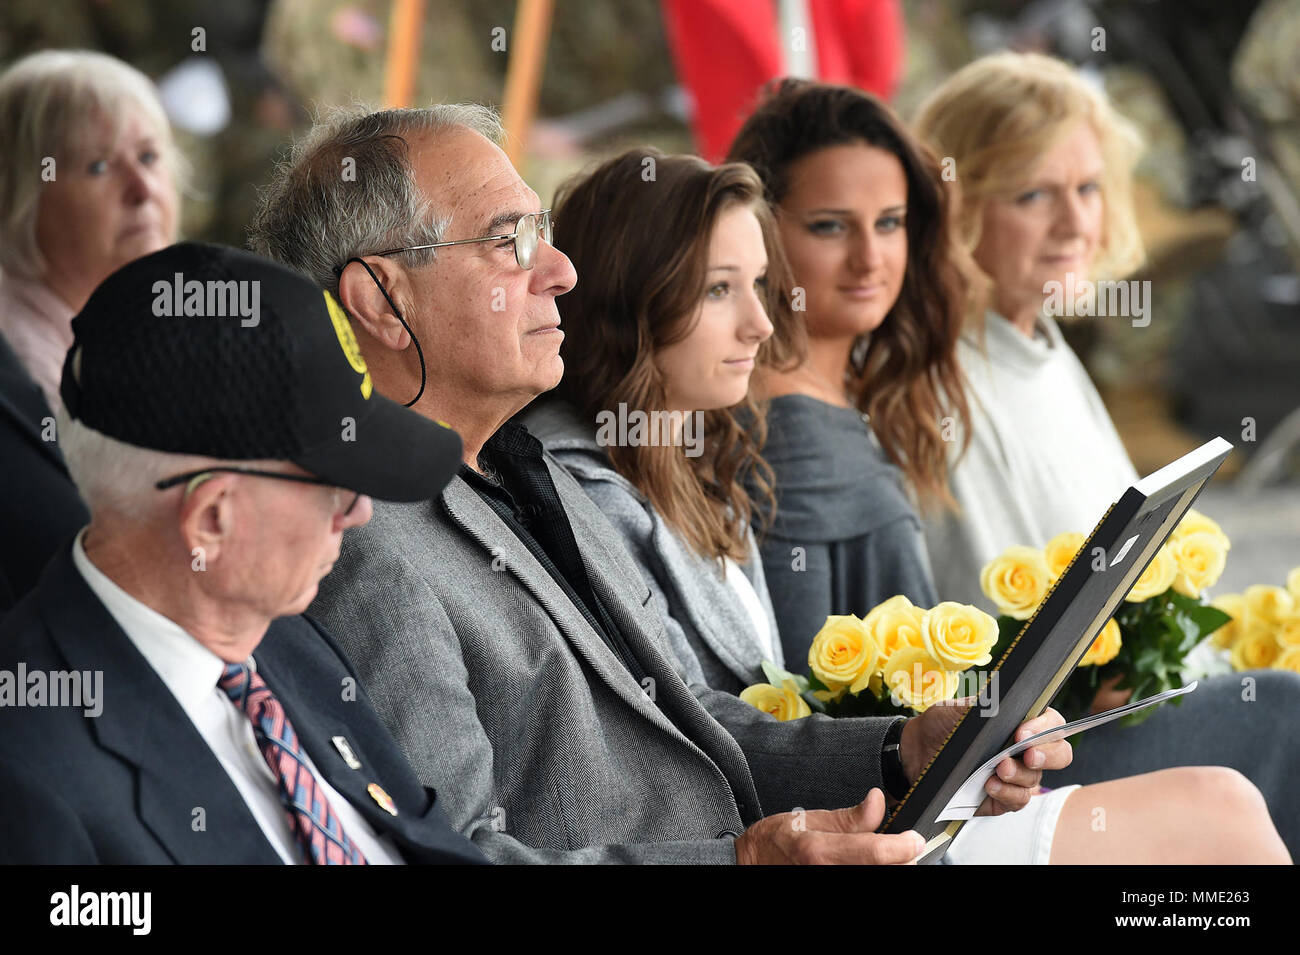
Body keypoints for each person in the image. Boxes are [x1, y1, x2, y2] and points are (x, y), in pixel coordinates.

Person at [251, 103, 1289, 864]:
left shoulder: (520, 474)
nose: (556, 270)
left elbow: (700, 714)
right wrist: (745, 862)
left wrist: (901, 748)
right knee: (1218, 818)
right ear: (381, 299)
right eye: (507, 239)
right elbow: (460, 858)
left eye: (544, 233)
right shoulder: (359, 546)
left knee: (1220, 817)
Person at [911, 50, 1300, 856]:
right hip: (1040, 753)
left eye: (1087, 189)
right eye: (1032, 195)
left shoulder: (1040, 344)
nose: (1075, 224)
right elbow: (989, 623)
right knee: (1283, 714)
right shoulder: (950, 378)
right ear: (958, 205)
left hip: (1115, 699)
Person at [0, 242, 483, 865]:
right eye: (334, 484)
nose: (360, 511)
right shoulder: (32, 779)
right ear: (212, 519)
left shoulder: (283, 643)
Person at [524, 148, 802, 695]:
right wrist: (892, 745)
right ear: (632, 304)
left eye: (759, 284)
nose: (762, 325)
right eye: (719, 289)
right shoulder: (582, 492)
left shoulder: (699, 454)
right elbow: (696, 723)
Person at [725, 78, 967, 662]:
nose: (869, 259)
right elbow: (796, 686)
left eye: (889, 222)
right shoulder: (789, 426)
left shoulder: (848, 386)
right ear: (757, 231)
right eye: (830, 226)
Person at [0, 50, 182, 610]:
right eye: (99, 167)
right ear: (18, 199)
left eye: (150, 157)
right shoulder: (19, 366)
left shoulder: (128, 327)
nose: (141, 187)